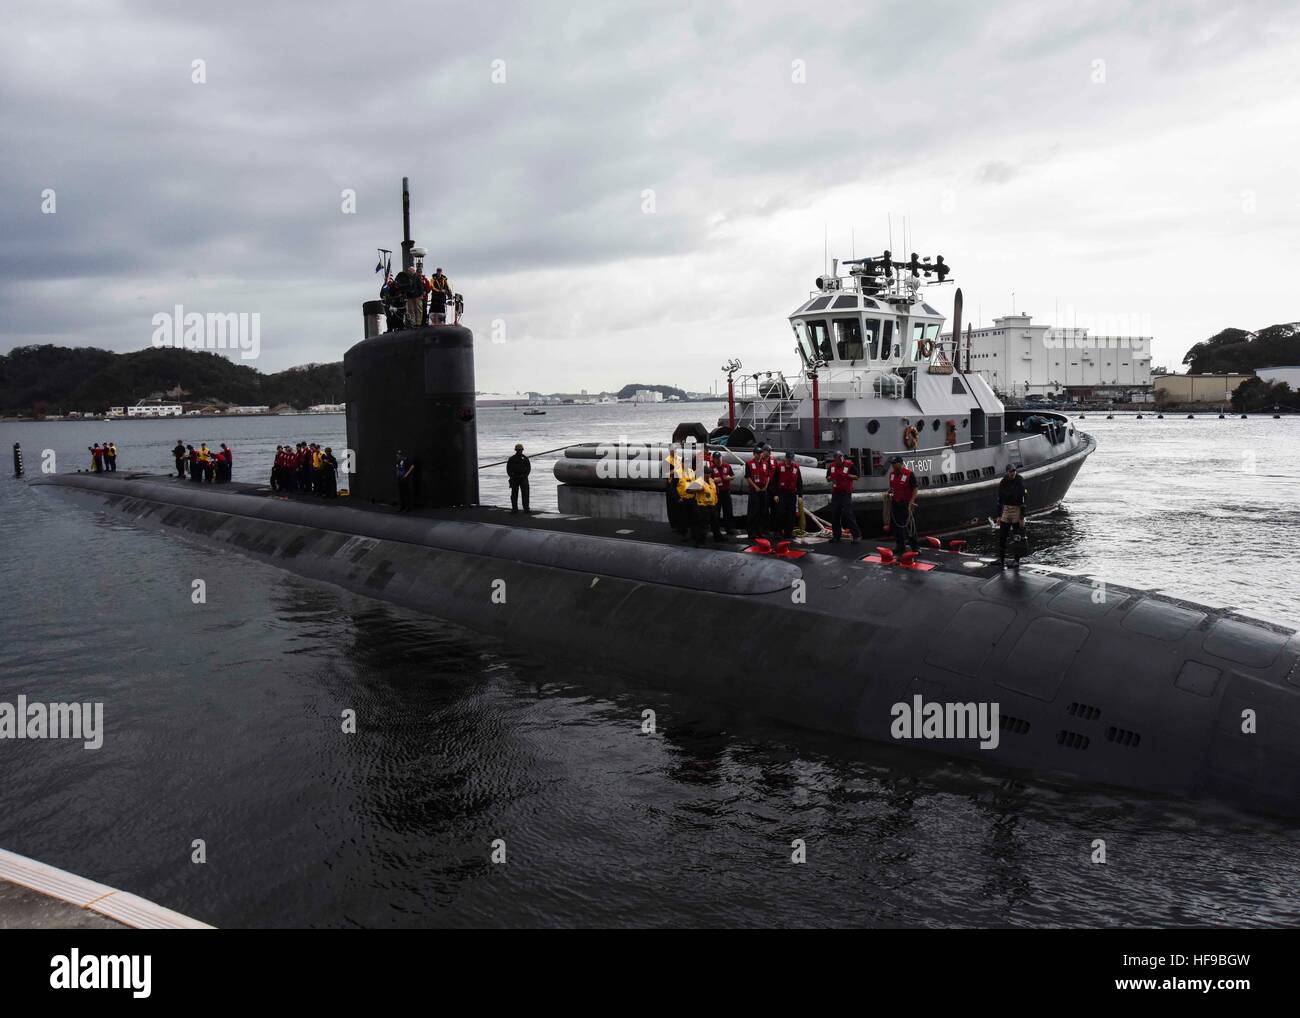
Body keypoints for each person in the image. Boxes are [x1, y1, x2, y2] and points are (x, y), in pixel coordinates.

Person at [884, 455, 919, 556]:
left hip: (906, 504)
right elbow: (892, 487)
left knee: (910, 526)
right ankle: (900, 546)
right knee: (896, 526)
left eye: (895, 464)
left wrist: (912, 501)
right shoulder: (891, 475)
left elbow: (915, 488)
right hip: (895, 503)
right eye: (892, 464)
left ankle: (915, 547)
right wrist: (889, 493)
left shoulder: (909, 474)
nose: (893, 466)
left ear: (900, 463)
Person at [825, 450, 861, 543]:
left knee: (848, 514)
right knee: (835, 514)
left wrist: (847, 476)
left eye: (841, 457)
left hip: (846, 493)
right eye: (838, 457)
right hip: (836, 493)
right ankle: (836, 536)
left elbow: (857, 476)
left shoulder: (849, 465)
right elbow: (827, 478)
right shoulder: (831, 467)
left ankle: (856, 535)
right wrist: (832, 477)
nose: (840, 459)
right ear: (835, 458)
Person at [997, 462, 1028, 568]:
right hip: (1006, 508)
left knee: (1017, 536)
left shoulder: (1020, 481)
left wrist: (1022, 517)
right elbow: (1000, 499)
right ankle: (1001, 559)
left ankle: (1016, 560)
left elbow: (1023, 499)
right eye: (1011, 471)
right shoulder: (1003, 481)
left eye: (1014, 471)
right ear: (1007, 472)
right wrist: (998, 515)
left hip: (1016, 509)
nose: (1013, 473)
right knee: (1002, 536)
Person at [772, 450, 803, 538]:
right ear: (785, 458)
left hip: (791, 494)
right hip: (781, 493)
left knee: (791, 514)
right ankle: (777, 532)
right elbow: (774, 481)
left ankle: (788, 532)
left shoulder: (796, 467)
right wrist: (775, 494)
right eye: (788, 458)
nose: (790, 460)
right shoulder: (779, 467)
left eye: (791, 459)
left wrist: (800, 495)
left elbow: (799, 482)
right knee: (780, 513)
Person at [744, 444, 772, 540]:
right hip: (754, 491)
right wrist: (755, 487)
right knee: (753, 512)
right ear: (754, 454)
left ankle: (760, 532)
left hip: (763, 490)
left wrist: (766, 486)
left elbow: (768, 476)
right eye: (757, 453)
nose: (759, 455)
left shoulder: (765, 463)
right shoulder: (749, 464)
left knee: (762, 512)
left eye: (760, 453)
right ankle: (751, 533)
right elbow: (748, 477)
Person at [710, 450, 735, 535]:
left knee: (728, 511)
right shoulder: (711, 468)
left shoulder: (727, 466)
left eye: (719, 458)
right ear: (713, 459)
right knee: (716, 512)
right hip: (716, 492)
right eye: (716, 459)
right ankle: (716, 530)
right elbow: (707, 480)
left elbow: (733, 476)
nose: (718, 460)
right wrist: (714, 480)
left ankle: (729, 529)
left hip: (726, 492)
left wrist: (729, 478)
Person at [507, 443, 531, 513]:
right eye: (518, 450)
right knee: (514, 494)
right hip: (514, 478)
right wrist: (512, 476)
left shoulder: (525, 458)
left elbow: (528, 468)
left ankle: (526, 508)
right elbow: (508, 469)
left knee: (525, 494)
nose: (519, 451)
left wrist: (525, 475)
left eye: (520, 450)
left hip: (523, 478)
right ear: (516, 450)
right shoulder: (511, 459)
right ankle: (514, 508)